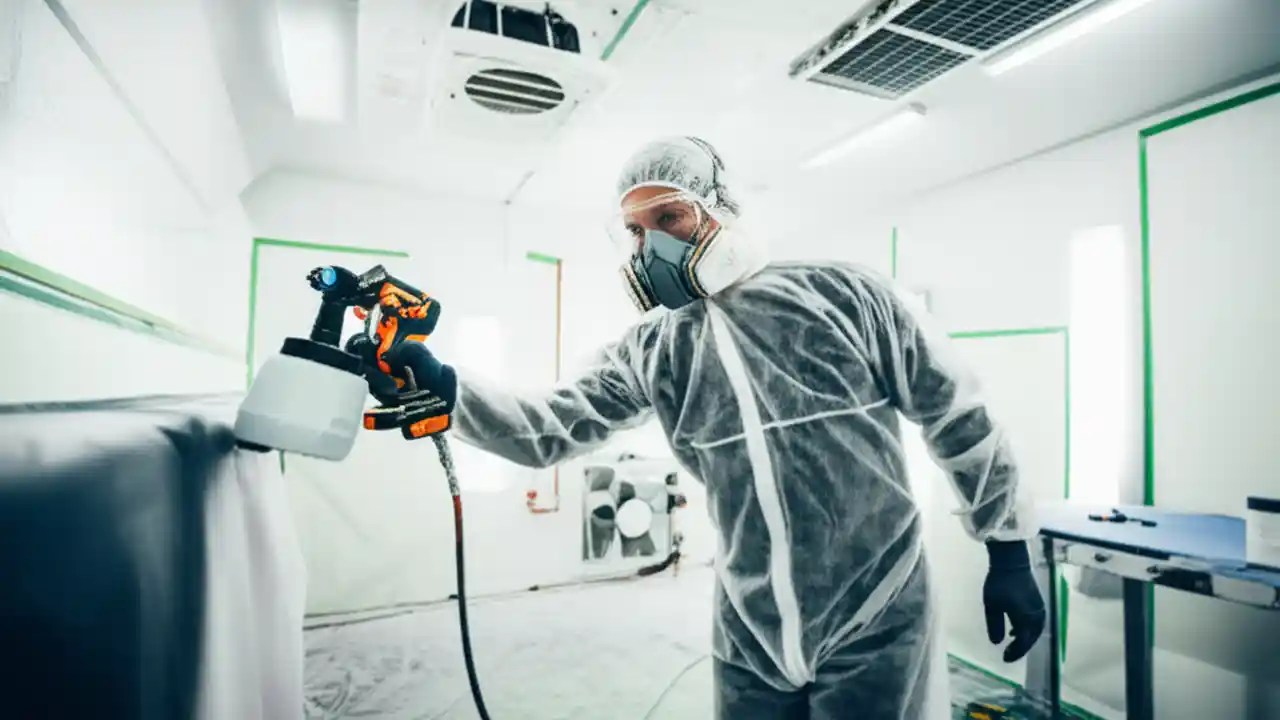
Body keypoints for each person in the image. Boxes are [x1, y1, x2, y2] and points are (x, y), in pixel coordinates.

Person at [367, 137, 1045, 718]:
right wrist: (446, 386)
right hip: (750, 626)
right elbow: (552, 427)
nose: (651, 245)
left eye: (669, 218)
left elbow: (957, 416)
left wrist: (1008, 549)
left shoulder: (847, 297)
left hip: (876, 610)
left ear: (720, 212)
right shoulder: (654, 348)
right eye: (636, 231)